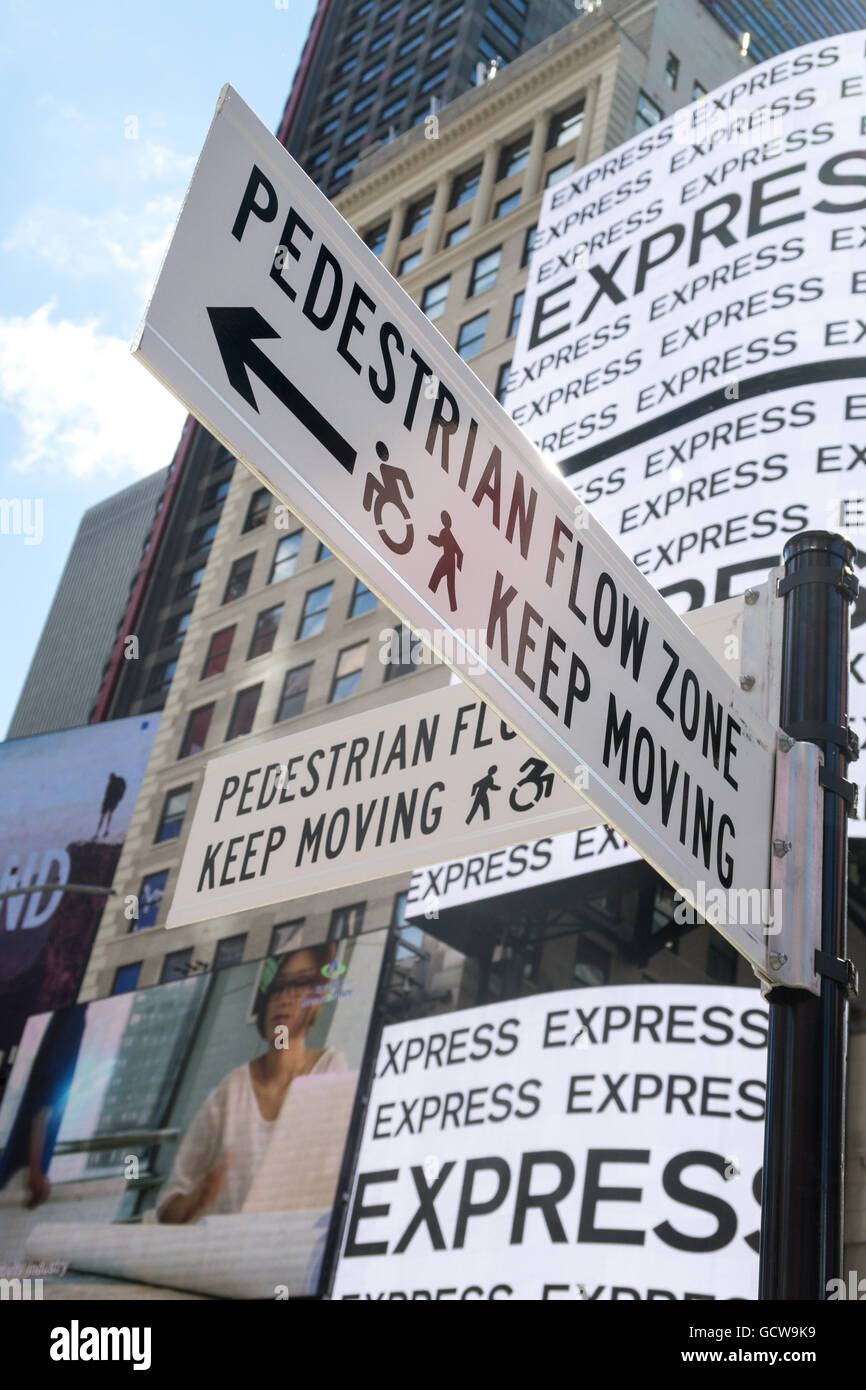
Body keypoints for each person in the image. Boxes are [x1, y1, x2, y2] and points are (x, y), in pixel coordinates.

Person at [156, 944, 347, 1223]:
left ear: (318, 997)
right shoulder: (232, 1090)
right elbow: (169, 1204)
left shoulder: (331, 1070)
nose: (286, 996)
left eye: (301, 983)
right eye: (278, 986)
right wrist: (196, 1200)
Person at [96, 772, 126, 837]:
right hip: (112, 801)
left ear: (111, 777)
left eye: (109, 777)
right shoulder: (114, 783)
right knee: (108, 815)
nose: (109, 778)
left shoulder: (114, 782)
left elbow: (107, 794)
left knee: (104, 815)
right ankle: (105, 831)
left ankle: (100, 832)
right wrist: (120, 798)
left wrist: (120, 797)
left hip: (110, 800)